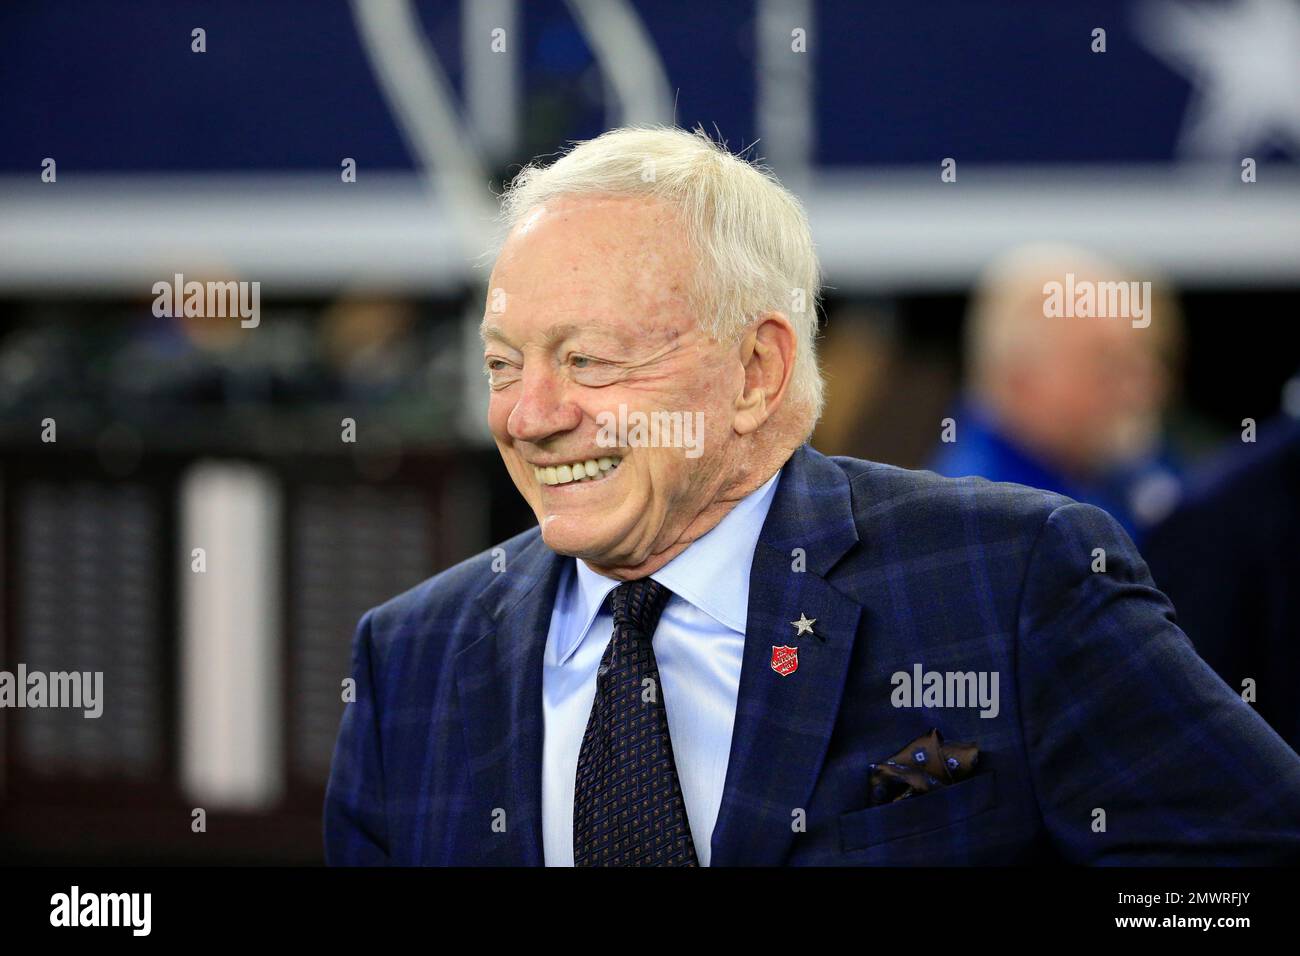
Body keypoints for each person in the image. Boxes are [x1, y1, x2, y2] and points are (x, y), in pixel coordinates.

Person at [325, 126, 1300, 866]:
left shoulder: (1010, 581)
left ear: (755, 369)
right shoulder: (410, 658)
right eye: (503, 362)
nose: (529, 413)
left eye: (588, 358)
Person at [929, 244, 1185, 542]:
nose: (1144, 390)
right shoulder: (984, 526)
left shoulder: (1122, 474)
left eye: (1141, 361)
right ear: (1021, 380)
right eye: (1107, 366)